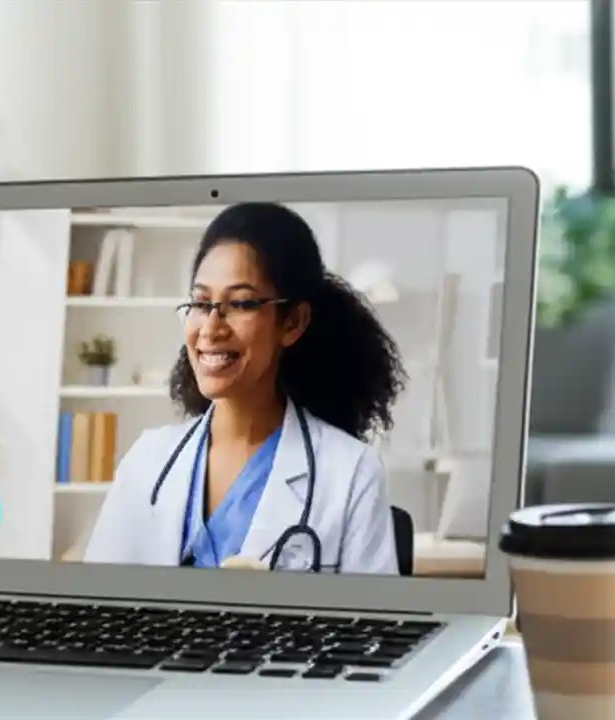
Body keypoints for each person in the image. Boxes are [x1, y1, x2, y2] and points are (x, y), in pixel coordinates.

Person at [83, 202, 406, 575]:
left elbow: (368, 629)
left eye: (239, 303)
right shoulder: (148, 460)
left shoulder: (350, 473)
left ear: (292, 322)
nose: (210, 329)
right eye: (201, 303)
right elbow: (95, 611)